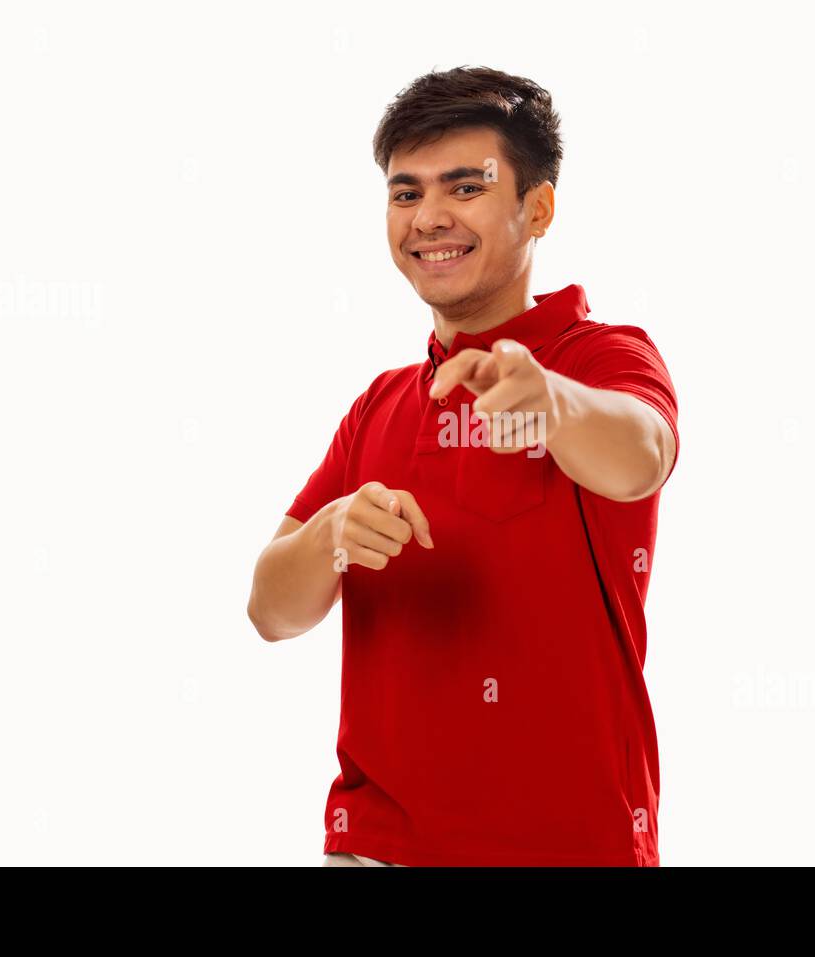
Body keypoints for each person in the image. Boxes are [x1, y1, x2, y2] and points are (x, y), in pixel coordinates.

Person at [247, 66, 679, 867]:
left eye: (465, 186)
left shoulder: (602, 358)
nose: (429, 217)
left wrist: (550, 402)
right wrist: (333, 534)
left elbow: (642, 455)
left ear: (538, 207)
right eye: (405, 193)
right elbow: (270, 609)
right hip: (374, 849)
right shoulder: (377, 406)